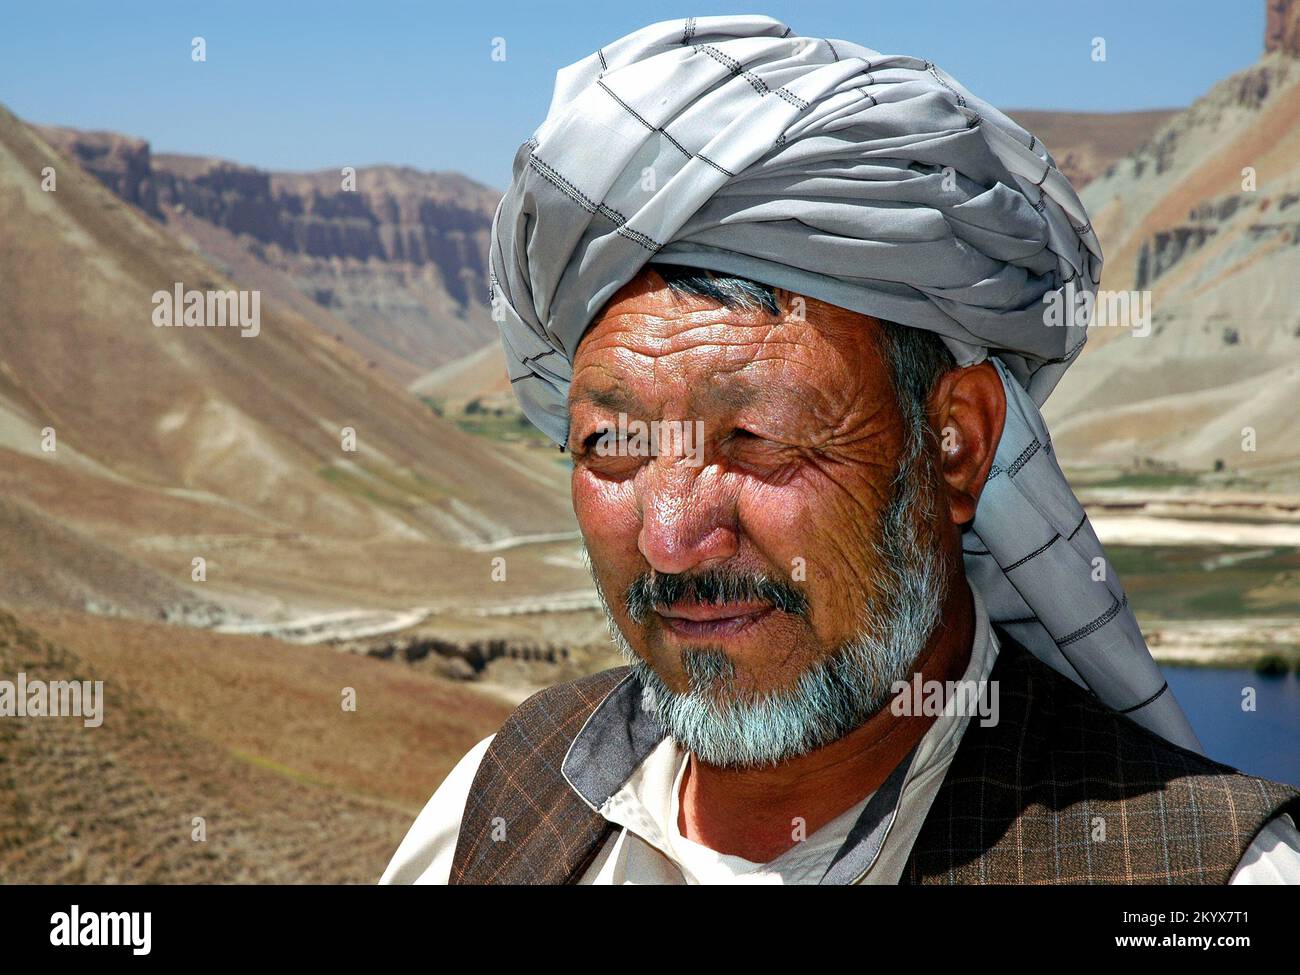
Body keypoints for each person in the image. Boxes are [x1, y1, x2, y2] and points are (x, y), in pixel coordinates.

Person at [382, 16, 1299, 884]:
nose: (670, 539)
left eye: (756, 437)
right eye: (613, 443)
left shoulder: (1194, 877)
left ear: (956, 447)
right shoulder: (504, 799)